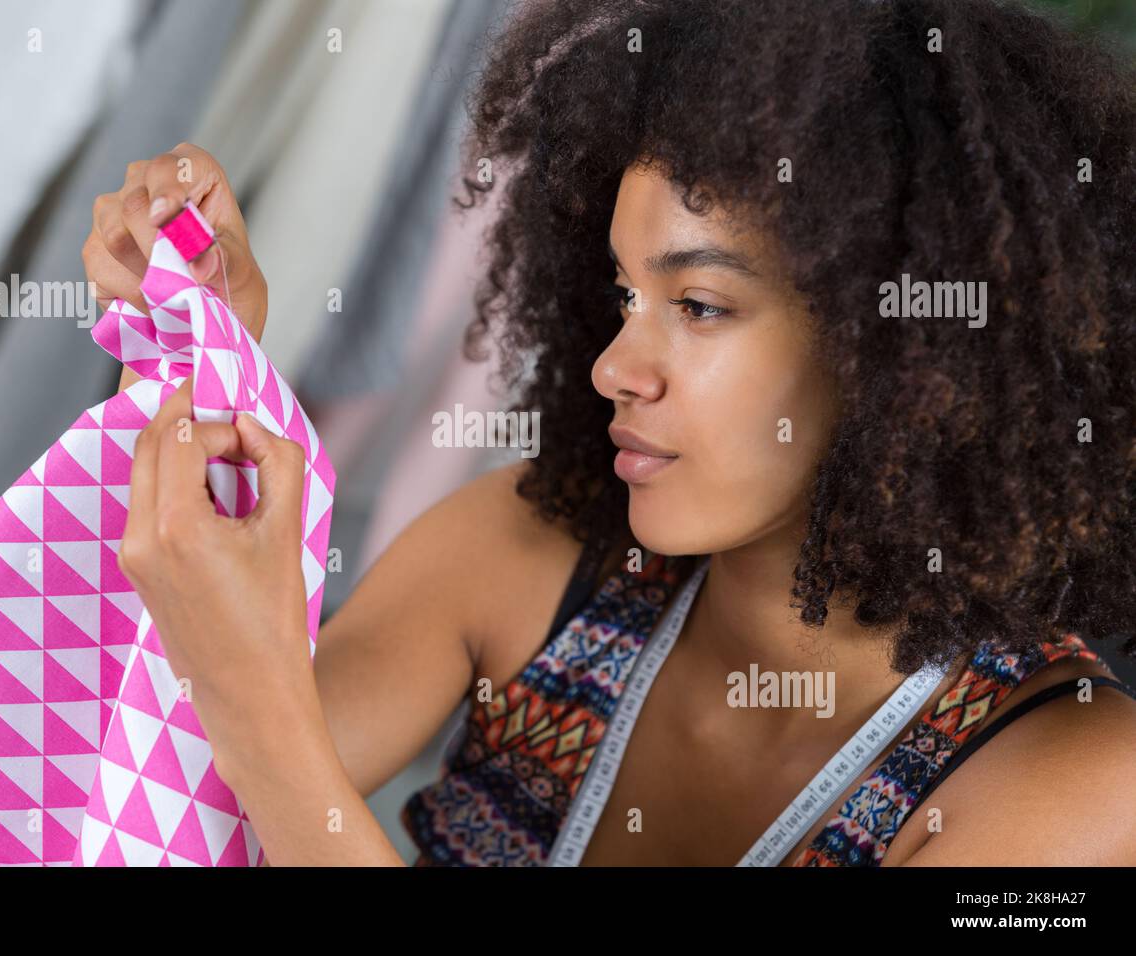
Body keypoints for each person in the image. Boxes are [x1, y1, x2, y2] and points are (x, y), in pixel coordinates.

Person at [79, 0, 1136, 866]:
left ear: (902, 352)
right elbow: (158, 809)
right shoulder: (529, 550)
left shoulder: (1072, 778)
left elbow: (274, 753)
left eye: (701, 306)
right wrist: (196, 362)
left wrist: (255, 692)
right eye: (623, 296)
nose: (611, 367)